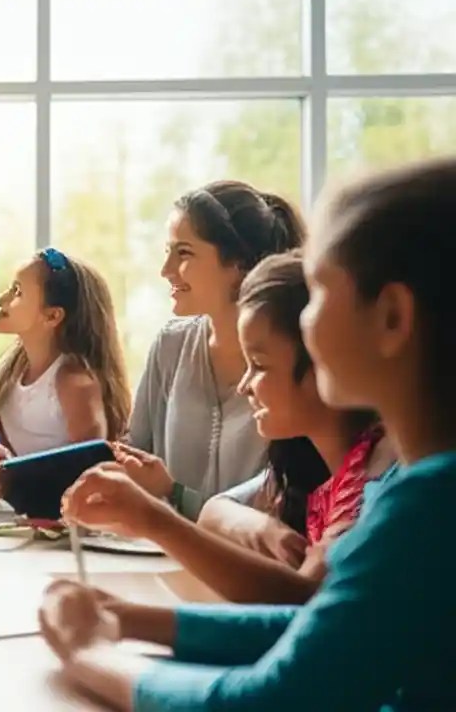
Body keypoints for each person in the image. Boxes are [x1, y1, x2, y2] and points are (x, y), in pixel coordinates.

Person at [39, 157, 456, 710]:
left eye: (321, 289)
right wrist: (127, 618)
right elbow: (318, 627)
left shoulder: (426, 507)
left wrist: (89, 653)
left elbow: (269, 698)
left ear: (392, 318)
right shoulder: (411, 485)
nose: (305, 318)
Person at [29, 253, 394, 605]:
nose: (244, 385)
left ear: (322, 362)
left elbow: (303, 600)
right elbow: (217, 509)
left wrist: (154, 523)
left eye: (260, 366)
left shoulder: (375, 476)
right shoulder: (304, 466)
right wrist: (258, 528)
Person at [128, 180, 305, 519]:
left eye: (184, 253)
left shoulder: (291, 362)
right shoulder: (170, 345)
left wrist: (174, 495)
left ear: (238, 265)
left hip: (239, 563)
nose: (165, 271)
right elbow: (135, 454)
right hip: (157, 557)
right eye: (168, 251)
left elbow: (278, 512)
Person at [0, 248, 130, 490]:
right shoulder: (12, 372)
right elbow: (30, 458)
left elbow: (89, 471)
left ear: (52, 316)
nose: (1, 299)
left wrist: (11, 478)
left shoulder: (74, 382)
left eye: (17, 292)